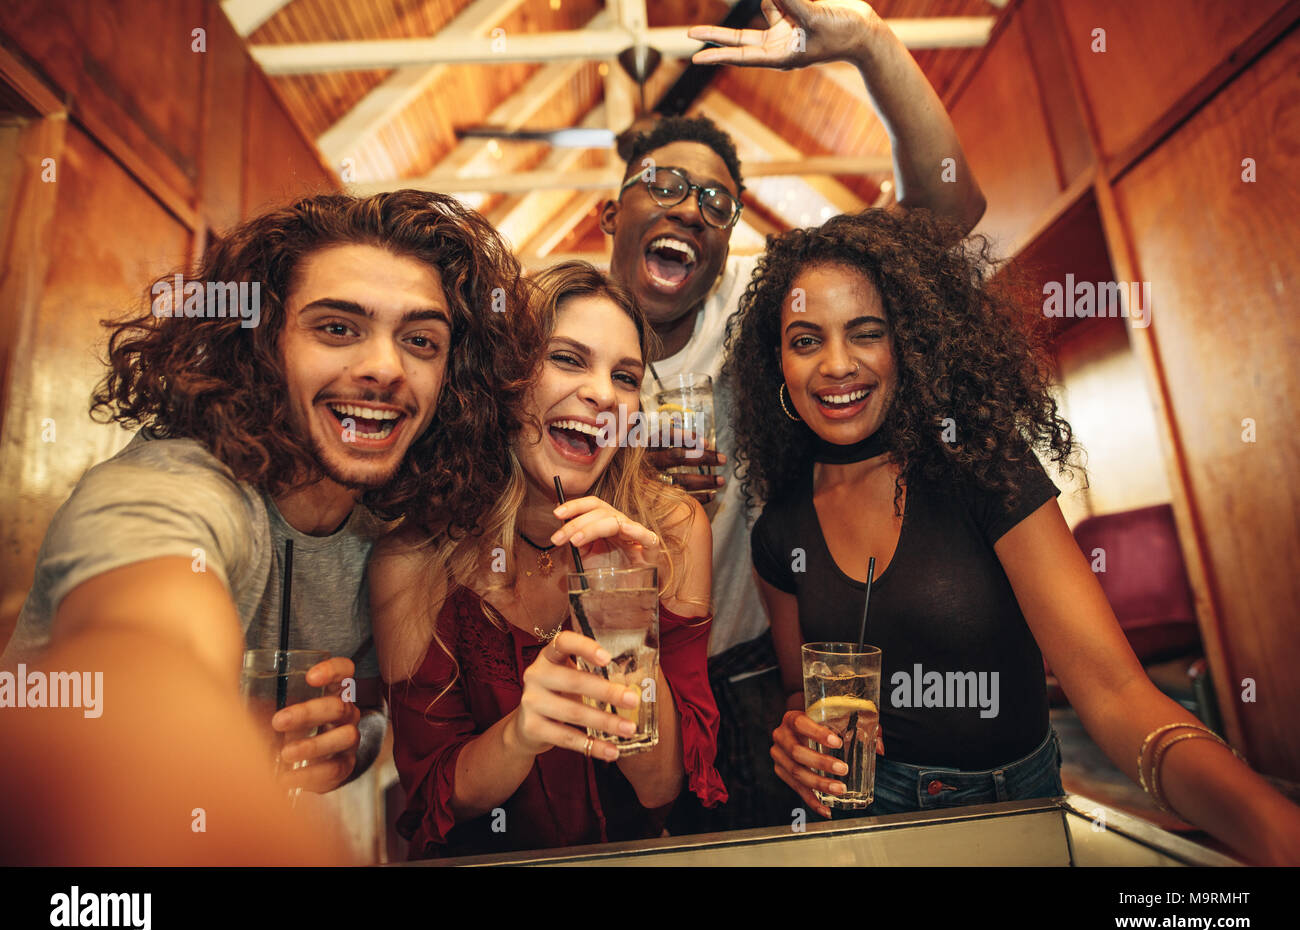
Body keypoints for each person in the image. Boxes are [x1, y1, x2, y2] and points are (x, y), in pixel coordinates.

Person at [727, 209, 1300, 865]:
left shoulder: (979, 469)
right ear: (776, 361)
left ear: (909, 345)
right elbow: (806, 690)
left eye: (866, 333)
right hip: (864, 829)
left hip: (1014, 812)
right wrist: (797, 735)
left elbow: (1116, 695)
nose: (835, 364)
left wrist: (1273, 830)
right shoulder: (778, 531)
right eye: (805, 340)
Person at [598, 0, 987, 831]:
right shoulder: (554, 333)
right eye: (661, 182)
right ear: (610, 217)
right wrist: (625, 471)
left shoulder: (762, 310)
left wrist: (872, 46)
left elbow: (949, 215)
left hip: (742, 678)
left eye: (715, 198)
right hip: (602, 667)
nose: (689, 206)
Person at [3, 190, 531, 795]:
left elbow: (363, 710)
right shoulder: (164, 491)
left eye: (420, 341)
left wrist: (345, 743)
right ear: (260, 346)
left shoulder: (388, 525)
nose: (386, 368)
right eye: (337, 328)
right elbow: (149, 638)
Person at [372, 262, 724, 858]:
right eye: (567, 358)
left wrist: (623, 608)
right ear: (503, 378)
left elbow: (661, 789)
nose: (603, 393)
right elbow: (435, 797)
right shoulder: (414, 559)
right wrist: (521, 733)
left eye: (626, 376)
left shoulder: (673, 530)